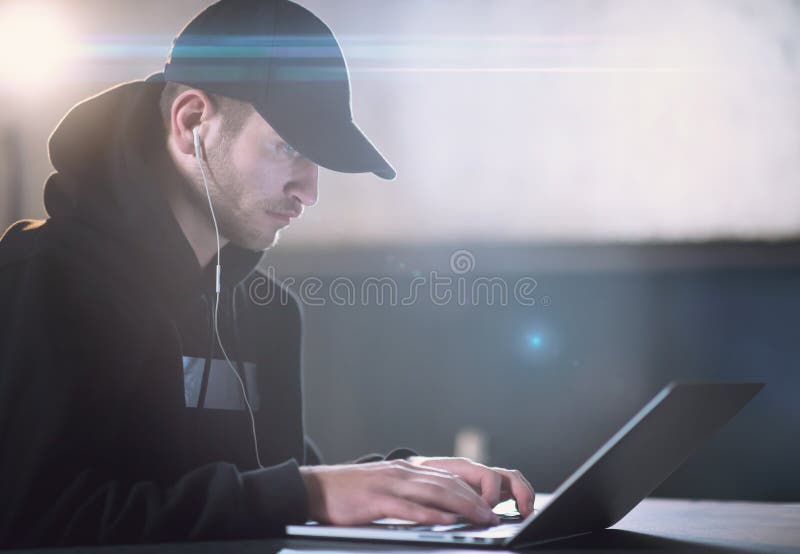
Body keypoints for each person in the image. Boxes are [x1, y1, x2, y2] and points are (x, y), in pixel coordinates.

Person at [0, 0, 534, 548]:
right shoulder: (41, 283)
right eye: (290, 148)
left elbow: (264, 496)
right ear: (191, 122)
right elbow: (30, 521)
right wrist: (309, 494)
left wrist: (409, 480)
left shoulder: (268, 315)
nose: (310, 190)